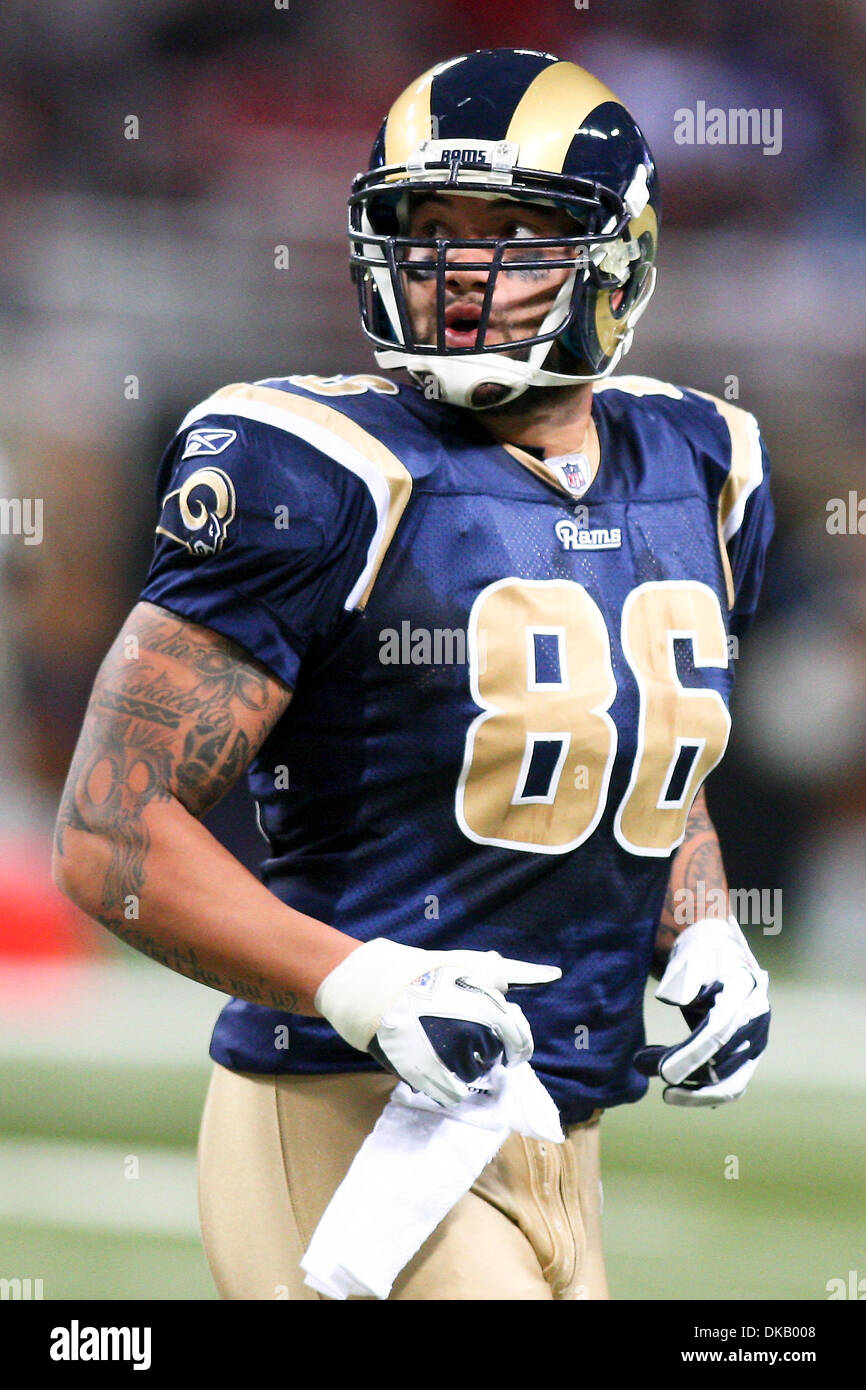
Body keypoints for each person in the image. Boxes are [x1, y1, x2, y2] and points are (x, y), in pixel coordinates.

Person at [52, 47, 773, 1301]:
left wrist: (701, 927)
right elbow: (109, 830)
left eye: (514, 233)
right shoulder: (315, 468)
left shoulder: (700, 463)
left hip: (561, 1126)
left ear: (619, 255)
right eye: (428, 228)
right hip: (350, 1112)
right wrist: (363, 980)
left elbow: (625, 747)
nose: (458, 272)